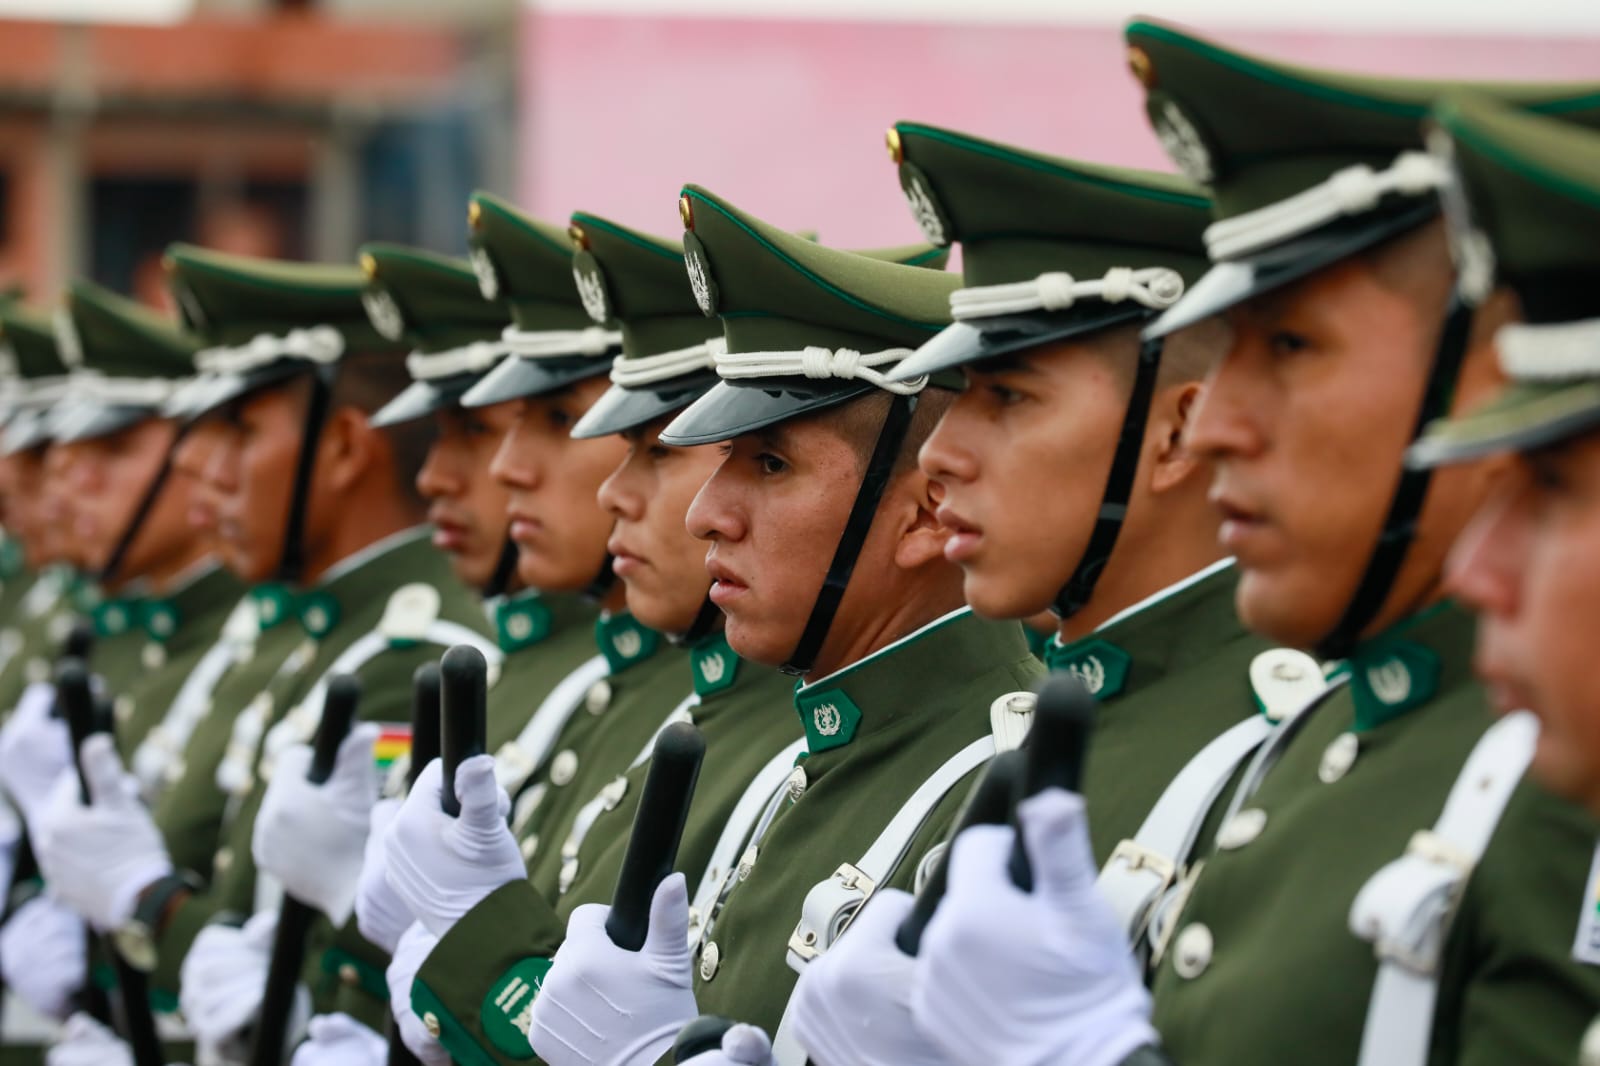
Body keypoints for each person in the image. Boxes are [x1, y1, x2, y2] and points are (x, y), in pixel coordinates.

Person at [851, 24, 1600, 1066]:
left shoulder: (1551, 785)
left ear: (1478, 382)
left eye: (1289, 345)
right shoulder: (1302, 743)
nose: (1212, 427)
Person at [784, 122, 1334, 1065]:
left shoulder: (1290, 755)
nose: (944, 452)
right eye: (956, 399)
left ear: (1177, 435)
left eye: (1009, 398)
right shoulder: (1039, 743)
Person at [501, 184, 1043, 1066]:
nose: (707, 512)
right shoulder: (794, 763)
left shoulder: (996, 793)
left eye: (771, 462)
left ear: (923, 516)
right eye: (721, 464)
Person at [29, 245, 499, 1063]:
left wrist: (155, 911)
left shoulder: (412, 658)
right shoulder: (301, 639)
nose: (198, 464)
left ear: (349, 449)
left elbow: (335, 978)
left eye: (239, 429)